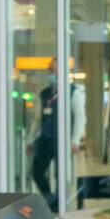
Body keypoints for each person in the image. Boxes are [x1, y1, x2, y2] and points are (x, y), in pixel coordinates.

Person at [29, 58, 85, 208]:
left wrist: (75, 141)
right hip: (45, 139)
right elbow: (37, 119)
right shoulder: (44, 93)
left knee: (60, 175)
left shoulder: (74, 93)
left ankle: (59, 205)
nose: (50, 73)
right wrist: (30, 140)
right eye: (49, 69)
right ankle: (50, 197)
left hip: (63, 140)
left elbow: (80, 118)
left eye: (52, 70)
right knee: (36, 171)